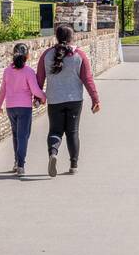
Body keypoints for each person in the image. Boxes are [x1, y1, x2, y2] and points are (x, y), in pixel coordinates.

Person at [36, 24, 101, 177]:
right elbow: (88, 79)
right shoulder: (79, 55)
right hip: (74, 100)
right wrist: (95, 99)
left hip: (54, 99)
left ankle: (53, 152)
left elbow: (39, 79)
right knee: (72, 132)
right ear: (72, 38)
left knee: (55, 131)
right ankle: (73, 165)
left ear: (56, 37)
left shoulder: (47, 55)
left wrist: (38, 97)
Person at [0, 42, 44, 176]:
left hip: (10, 107)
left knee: (16, 135)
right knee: (23, 136)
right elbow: (35, 90)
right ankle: (21, 165)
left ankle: (17, 162)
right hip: (24, 108)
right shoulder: (28, 71)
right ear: (27, 56)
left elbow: (3, 90)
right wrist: (44, 96)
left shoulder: (7, 71)